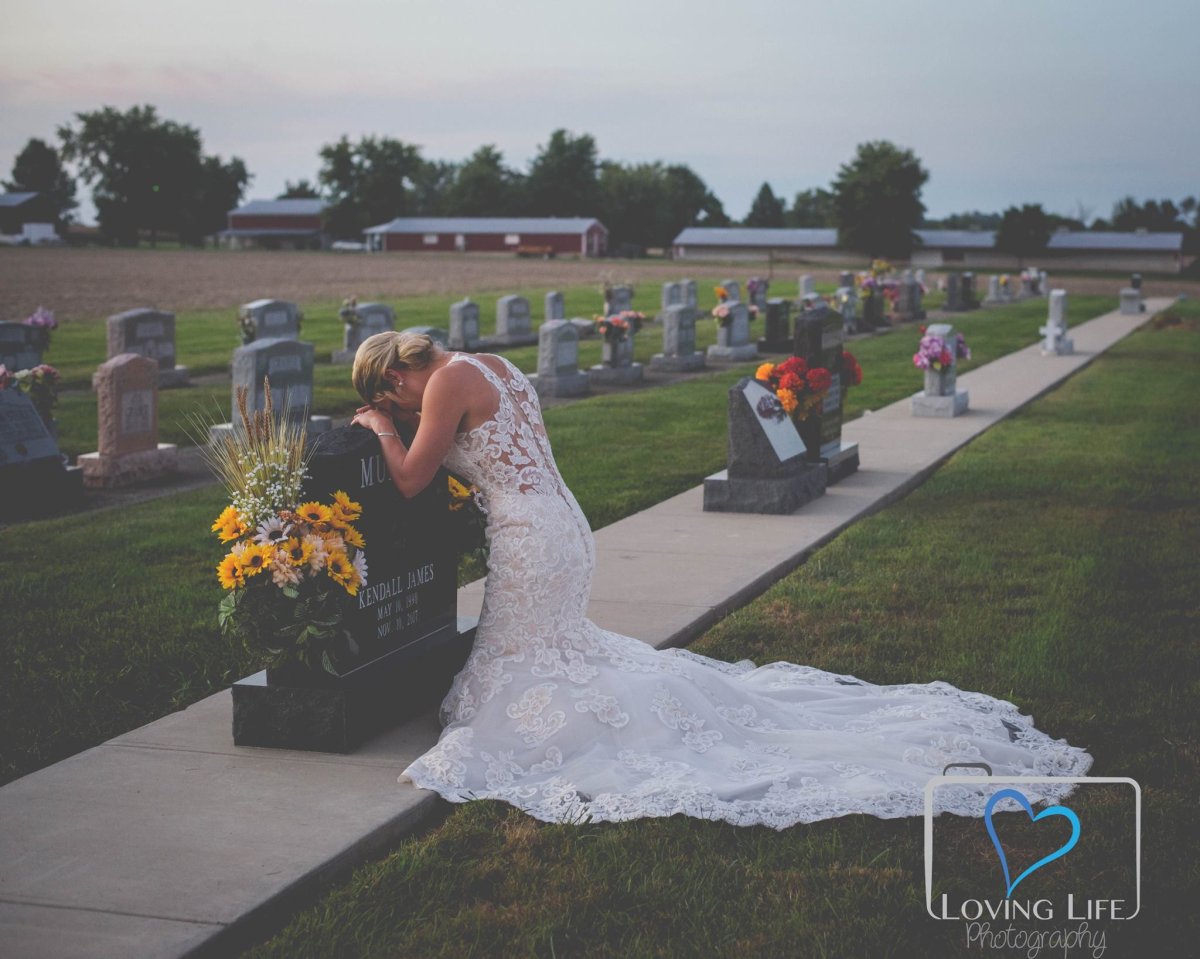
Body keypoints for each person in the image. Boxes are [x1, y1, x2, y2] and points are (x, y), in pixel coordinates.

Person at [350, 331, 1092, 828]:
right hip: (561, 520)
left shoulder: (442, 383)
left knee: (530, 665)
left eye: (393, 398)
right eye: (393, 410)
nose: (402, 409)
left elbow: (412, 478)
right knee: (550, 649)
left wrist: (379, 430)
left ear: (394, 374)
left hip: (530, 535)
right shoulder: (489, 363)